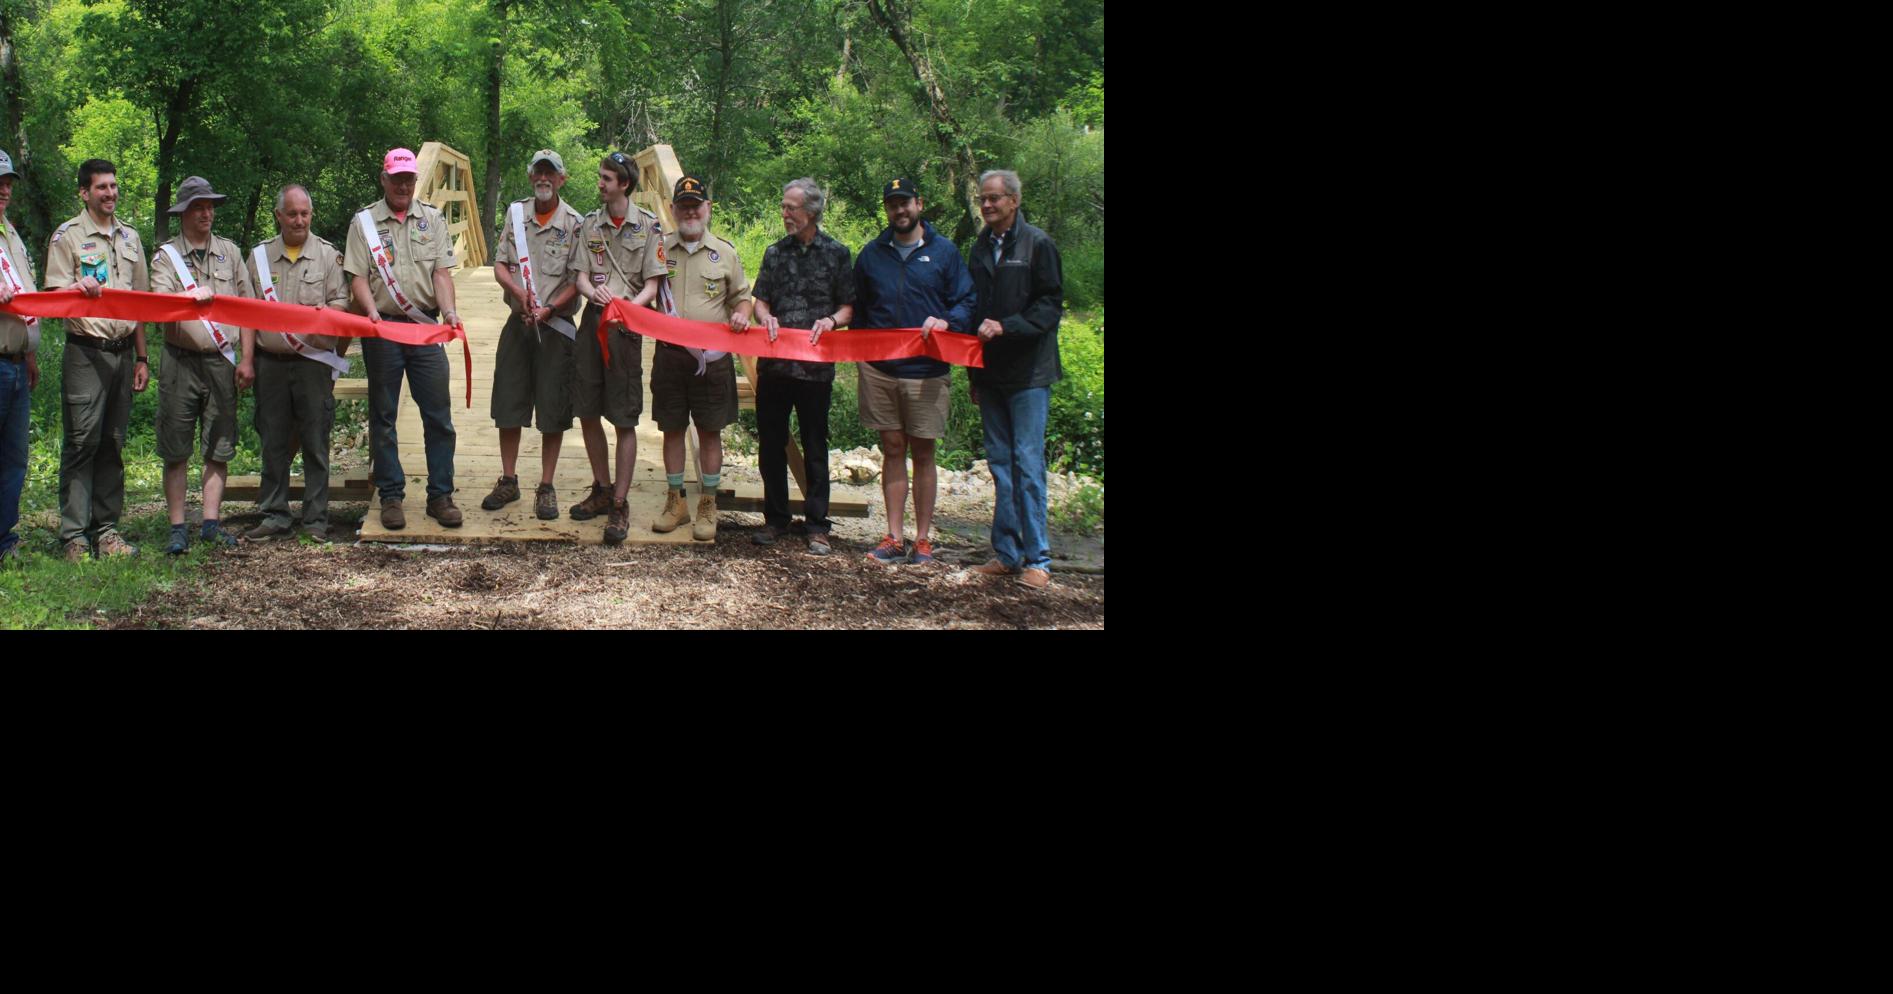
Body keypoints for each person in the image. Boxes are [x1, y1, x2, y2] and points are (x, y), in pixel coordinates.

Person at [850, 178, 974, 565]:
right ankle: (893, 536)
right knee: (891, 447)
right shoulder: (872, 254)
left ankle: (923, 540)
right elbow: (858, 308)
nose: (899, 211)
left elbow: (968, 301)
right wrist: (857, 351)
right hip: (881, 369)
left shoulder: (944, 253)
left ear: (919, 204)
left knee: (923, 450)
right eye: (892, 205)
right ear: (886, 210)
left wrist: (947, 321)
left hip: (928, 369)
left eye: (905, 203)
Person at [344, 147, 462, 530]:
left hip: (425, 327)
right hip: (384, 329)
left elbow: (442, 274)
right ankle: (391, 495)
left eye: (409, 178)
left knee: (438, 415)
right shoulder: (363, 223)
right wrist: (370, 310)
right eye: (396, 178)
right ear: (384, 179)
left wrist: (450, 312)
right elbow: (357, 277)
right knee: (383, 415)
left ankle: (440, 495)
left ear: (415, 179)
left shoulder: (432, 218)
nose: (403, 185)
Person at [41, 158, 150, 561]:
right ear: (84, 193)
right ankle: (73, 536)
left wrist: (142, 357)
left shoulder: (130, 238)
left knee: (113, 443)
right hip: (86, 352)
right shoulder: (67, 237)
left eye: (114, 186)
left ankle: (106, 531)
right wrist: (73, 287)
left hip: (123, 355)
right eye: (101, 187)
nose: (110, 193)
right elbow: (51, 297)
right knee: (82, 442)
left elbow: (139, 304)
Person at [966, 169, 1064, 590]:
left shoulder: (1037, 244)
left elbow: (1050, 307)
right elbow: (972, 312)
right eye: (983, 199)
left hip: (1029, 374)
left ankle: (1038, 559)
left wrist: (1008, 326)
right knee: (1000, 465)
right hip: (990, 374)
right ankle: (1007, 553)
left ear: (1014, 201)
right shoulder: (980, 247)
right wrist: (973, 372)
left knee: (1028, 465)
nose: (988, 206)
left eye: (995, 199)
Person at [148, 175, 256, 554]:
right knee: (175, 448)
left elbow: (247, 310)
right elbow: (158, 304)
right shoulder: (165, 257)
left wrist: (246, 359)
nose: (207, 213)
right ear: (183, 213)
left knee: (219, 445)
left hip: (221, 363)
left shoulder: (230, 252)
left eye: (210, 206)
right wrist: (187, 296)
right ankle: (178, 526)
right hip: (179, 362)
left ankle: (211, 523)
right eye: (199, 207)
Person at [750, 177, 854, 556]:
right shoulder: (774, 253)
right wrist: (765, 316)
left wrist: (833, 321)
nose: (784, 214)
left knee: (814, 446)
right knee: (771, 445)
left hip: (815, 370)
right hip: (774, 367)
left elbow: (849, 305)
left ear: (811, 212)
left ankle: (817, 525)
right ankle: (775, 519)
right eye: (783, 207)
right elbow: (759, 299)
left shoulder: (837, 253)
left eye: (790, 208)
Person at [243, 183, 351, 541]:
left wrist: (327, 314)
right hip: (270, 363)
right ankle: (274, 514)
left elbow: (342, 303)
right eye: (292, 213)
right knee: (273, 439)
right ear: (278, 216)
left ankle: (315, 519)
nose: (299, 220)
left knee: (315, 441)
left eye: (304, 213)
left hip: (313, 364)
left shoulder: (328, 256)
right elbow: (246, 314)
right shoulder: (258, 257)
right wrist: (246, 360)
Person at [570, 150, 666, 545]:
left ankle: (621, 502)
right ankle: (602, 487)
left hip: (626, 327)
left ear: (624, 184)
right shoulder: (590, 224)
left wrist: (627, 309)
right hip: (592, 323)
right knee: (587, 410)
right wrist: (593, 293)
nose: (600, 183)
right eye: (600, 176)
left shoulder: (649, 227)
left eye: (607, 178)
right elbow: (578, 275)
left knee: (624, 416)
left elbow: (653, 283)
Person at [650, 174, 751, 541]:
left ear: (707, 209)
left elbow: (741, 296)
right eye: (683, 206)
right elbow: (642, 290)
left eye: (697, 205)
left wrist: (742, 312)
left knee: (710, 430)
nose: (690, 212)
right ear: (674, 210)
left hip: (712, 359)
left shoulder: (725, 252)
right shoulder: (659, 249)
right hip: (670, 356)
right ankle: (675, 500)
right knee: (672, 428)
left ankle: (708, 501)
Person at [484, 149, 583, 521]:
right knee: (508, 403)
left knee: (553, 408)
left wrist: (550, 309)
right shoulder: (515, 215)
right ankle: (508, 480)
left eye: (551, 173)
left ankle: (546, 485)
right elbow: (500, 263)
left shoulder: (575, 223)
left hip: (555, 328)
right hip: (518, 323)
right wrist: (517, 292)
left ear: (562, 178)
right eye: (538, 172)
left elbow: (577, 279)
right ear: (531, 178)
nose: (544, 178)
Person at [0, 149, 39, 563]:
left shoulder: (10, 233)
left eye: (8, 182)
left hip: (15, 362)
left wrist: (29, 352)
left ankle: (4, 541)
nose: (4, 189)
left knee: (13, 458)